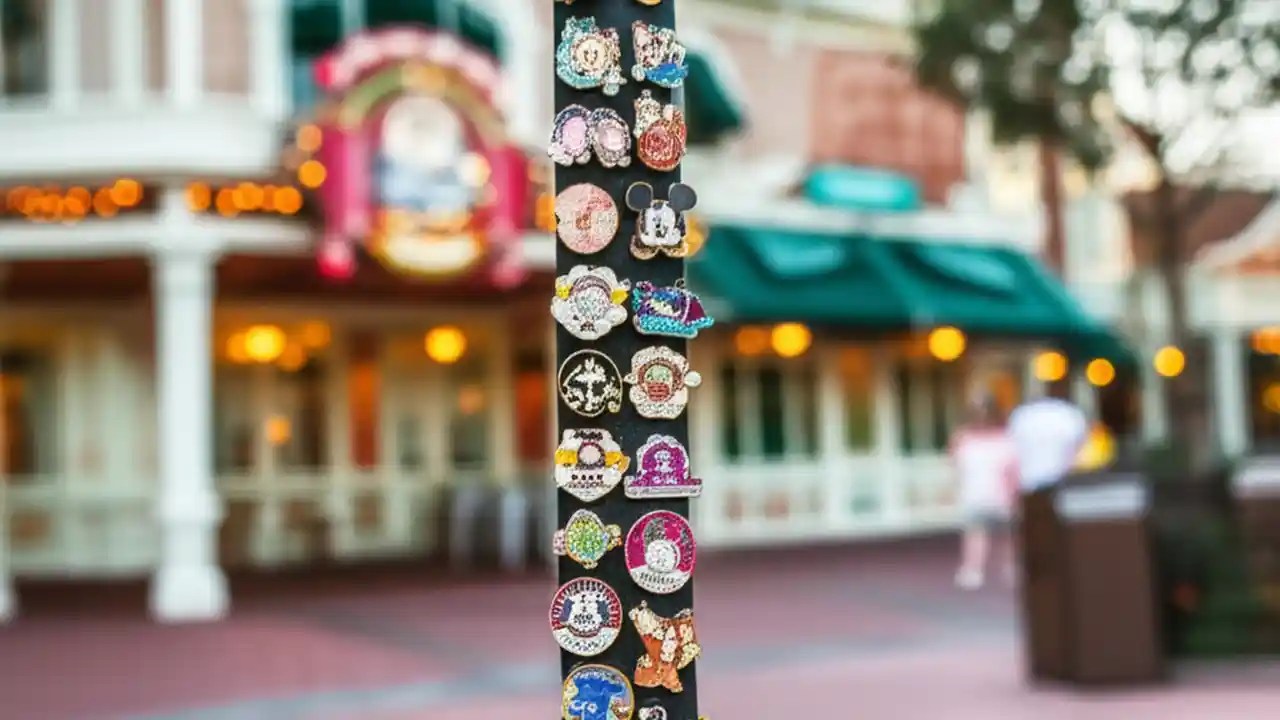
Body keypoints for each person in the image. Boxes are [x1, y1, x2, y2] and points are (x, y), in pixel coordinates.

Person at [950, 396, 1018, 590]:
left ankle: (975, 570)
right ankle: (989, 569)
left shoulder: (963, 438)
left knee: (986, 534)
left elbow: (955, 463)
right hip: (987, 494)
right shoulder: (1004, 438)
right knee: (997, 535)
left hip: (983, 493)